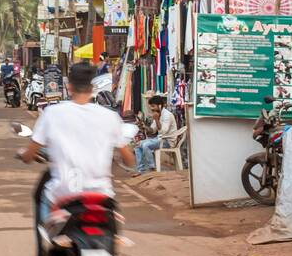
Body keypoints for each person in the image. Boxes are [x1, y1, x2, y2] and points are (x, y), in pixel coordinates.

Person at [21, 62, 135, 217]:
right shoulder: (110, 117)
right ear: (93, 88)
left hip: (63, 194)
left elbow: (30, 154)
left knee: (41, 198)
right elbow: (129, 160)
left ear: (69, 87)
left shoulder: (52, 113)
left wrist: (25, 155)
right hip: (101, 195)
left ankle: (44, 232)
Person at [135, 94, 178, 173]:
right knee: (137, 145)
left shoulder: (167, 115)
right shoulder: (157, 114)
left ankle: (152, 168)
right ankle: (141, 170)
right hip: (160, 139)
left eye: (153, 106)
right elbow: (152, 130)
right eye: (151, 106)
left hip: (168, 141)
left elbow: (163, 131)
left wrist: (157, 119)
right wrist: (144, 127)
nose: (151, 108)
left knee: (146, 145)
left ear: (160, 105)